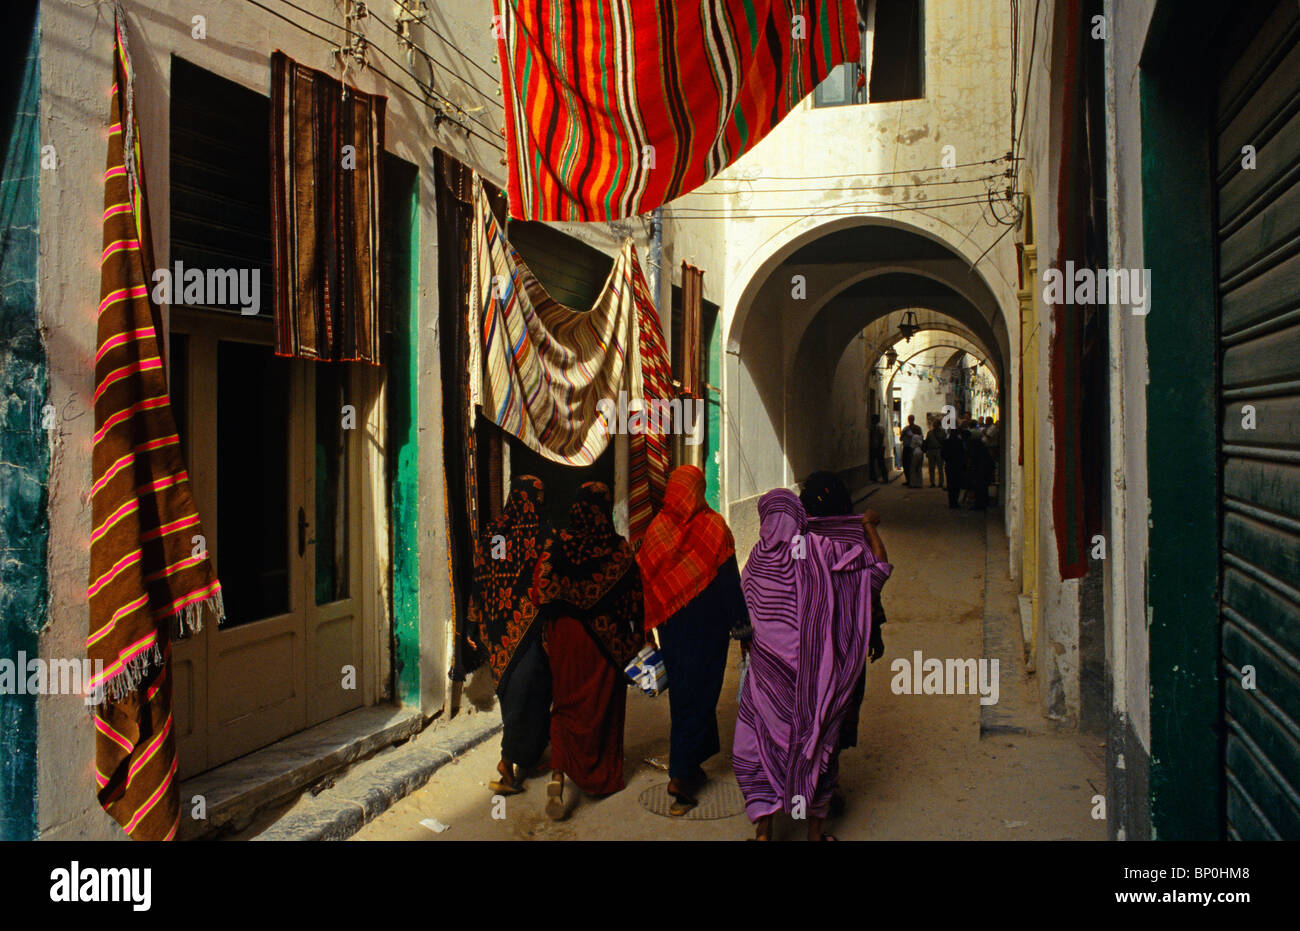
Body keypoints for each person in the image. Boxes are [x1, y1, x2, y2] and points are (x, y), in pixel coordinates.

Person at [733, 488, 891, 841]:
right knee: (817, 742)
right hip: (814, 685)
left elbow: (743, 616)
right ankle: (814, 835)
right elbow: (876, 571)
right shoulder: (819, 552)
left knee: (760, 746)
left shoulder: (755, 561)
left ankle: (764, 831)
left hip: (766, 685)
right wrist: (869, 528)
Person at [637, 465, 751, 815]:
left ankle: (692, 763)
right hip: (709, 630)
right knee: (701, 696)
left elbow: (643, 580)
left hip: (672, 630)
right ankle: (681, 778)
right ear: (698, 491)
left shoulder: (657, 529)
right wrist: (741, 628)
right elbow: (730, 583)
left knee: (686, 694)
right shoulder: (713, 527)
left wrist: (646, 630)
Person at [532, 482, 647, 820]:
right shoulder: (619, 549)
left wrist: (568, 598)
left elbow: (541, 590)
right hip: (604, 642)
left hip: (566, 637)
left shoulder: (558, 543)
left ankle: (557, 776)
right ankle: (602, 777)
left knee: (565, 706)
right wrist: (639, 636)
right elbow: (634, 600)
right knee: (602, 709)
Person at [466, 475, 554, 795]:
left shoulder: (494, 534)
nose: (540, 503)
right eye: (538, 497)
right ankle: (508, 762)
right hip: (532, 632)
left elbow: (481, 581)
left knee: (513, 694)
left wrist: (473, 625)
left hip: (497, 632)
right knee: (532, 695)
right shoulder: (544, 534)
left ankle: (525, 758)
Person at [942, 427, 967, 510]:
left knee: (950, 484)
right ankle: (955, 501)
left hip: (949, 465)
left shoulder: (946, 442)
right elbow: (963, 454)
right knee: (957, 484)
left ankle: (951, 502)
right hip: (958, 465)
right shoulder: (960, 442)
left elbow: (943, 454)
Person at [924, 420, 946, 488]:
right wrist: (927, 451)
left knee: (939, 468)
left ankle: (940, 482)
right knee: (932, 468)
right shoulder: (930, 433)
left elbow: (944, 442)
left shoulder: (941, 432)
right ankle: (933, 482)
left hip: (938, 450)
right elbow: (927, 443)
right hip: (932, 450)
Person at [868, 413, 889, 483]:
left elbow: (881, 437)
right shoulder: (876, 426)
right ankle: (877, 478)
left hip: (878, 447)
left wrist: (878, 446)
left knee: (880, 463)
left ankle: (884, 478)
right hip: (876, 447)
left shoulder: (879, 426)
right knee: (876, 463)